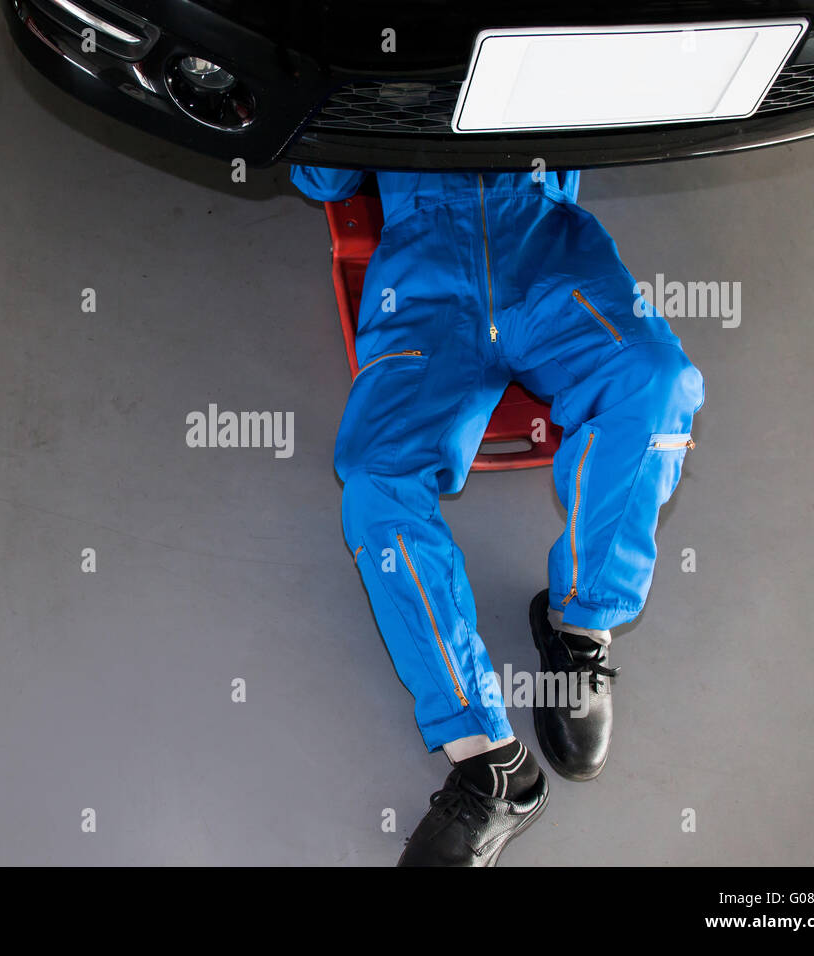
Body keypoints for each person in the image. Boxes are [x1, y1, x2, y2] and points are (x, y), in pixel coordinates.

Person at [291, 164, 705, 866]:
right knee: (377, 481)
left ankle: (580, 624)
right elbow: (322, 177)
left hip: (546, 247)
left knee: (657, 385)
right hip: (427, 270)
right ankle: (488, 761)